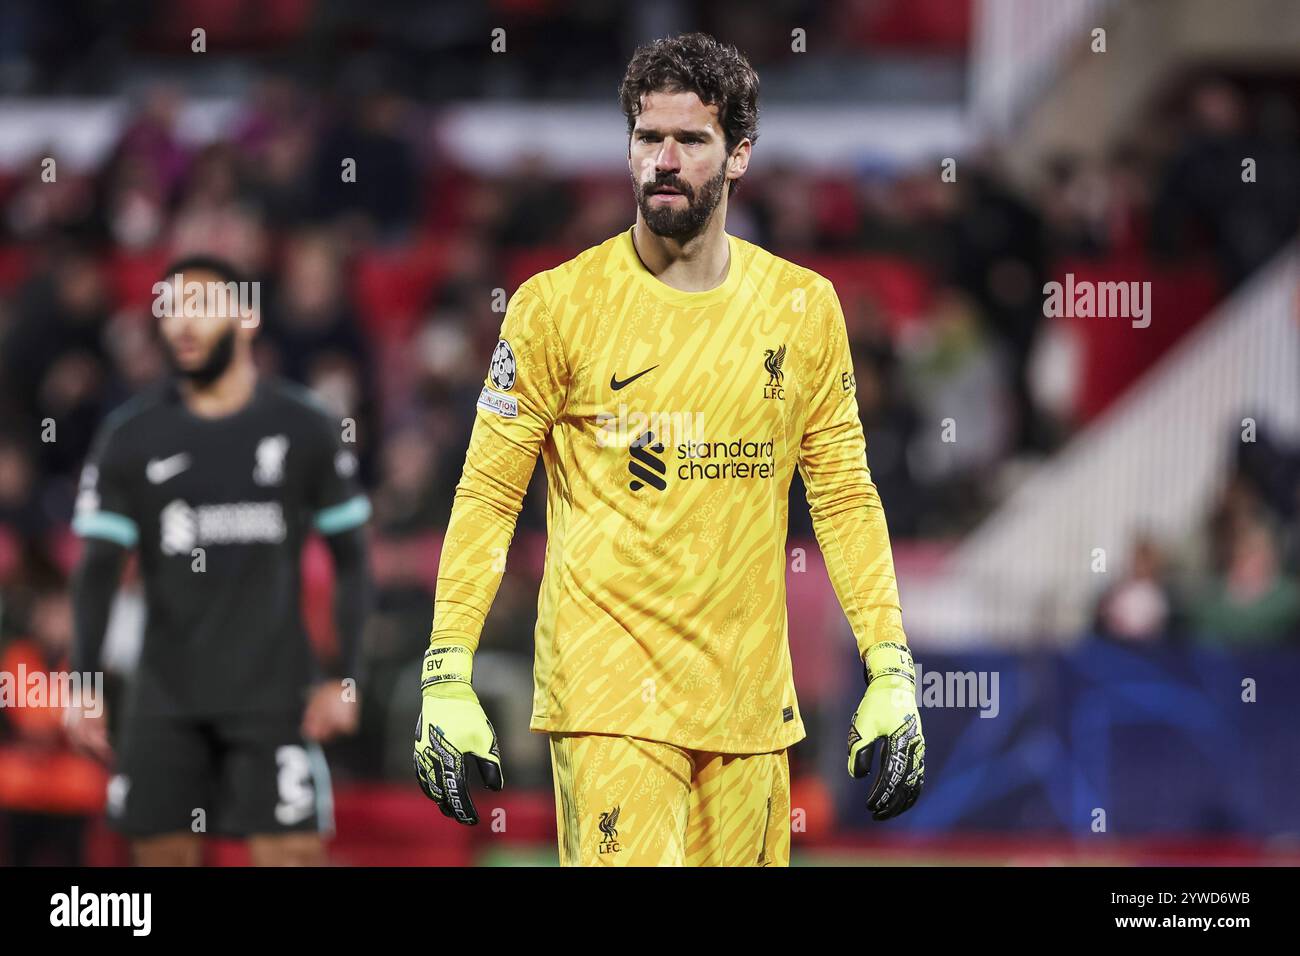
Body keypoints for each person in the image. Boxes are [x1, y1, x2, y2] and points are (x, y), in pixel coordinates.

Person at [413, 33, 925, 866]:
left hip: (751, 705)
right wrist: (447, 668)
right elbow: (487, 495)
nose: (664, 159)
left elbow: (843, 497)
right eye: (648, 138)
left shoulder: (804, 309)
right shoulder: (555, 308)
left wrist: (890, 666)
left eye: (690, 140)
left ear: (740, 156)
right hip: (609, 696)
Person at [66, 255, 372, 866]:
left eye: (201, 307)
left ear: (248, 316)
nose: (183, 324)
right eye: (171, 309)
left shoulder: (304, 427)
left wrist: (349, 678)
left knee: (293, 856)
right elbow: (97, 570)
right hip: (165, 700)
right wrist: (83, 680)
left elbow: (353, 560)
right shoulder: (130, 437)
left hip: (275, 697)